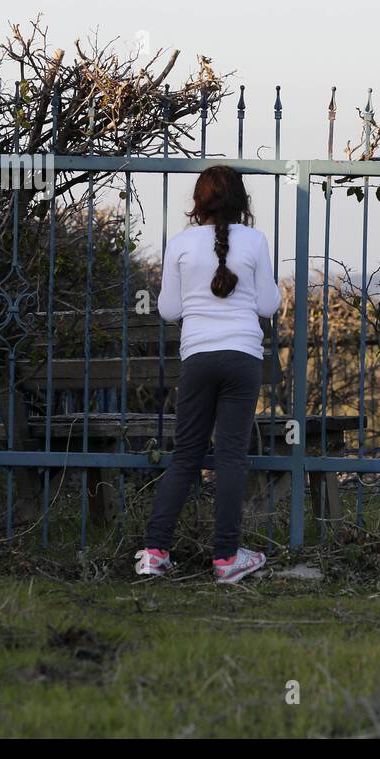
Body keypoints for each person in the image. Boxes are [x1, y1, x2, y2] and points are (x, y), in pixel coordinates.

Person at [135, 165, 282, 584]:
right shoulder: (254, 240)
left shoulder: (181, 244)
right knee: (231, 457)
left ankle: (154, 552)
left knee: (186, 456)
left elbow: (168, 310)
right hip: (242, 358)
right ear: (240, 201)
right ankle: (226, 558)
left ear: (198, 203)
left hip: (198, 358)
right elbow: (269, 305)